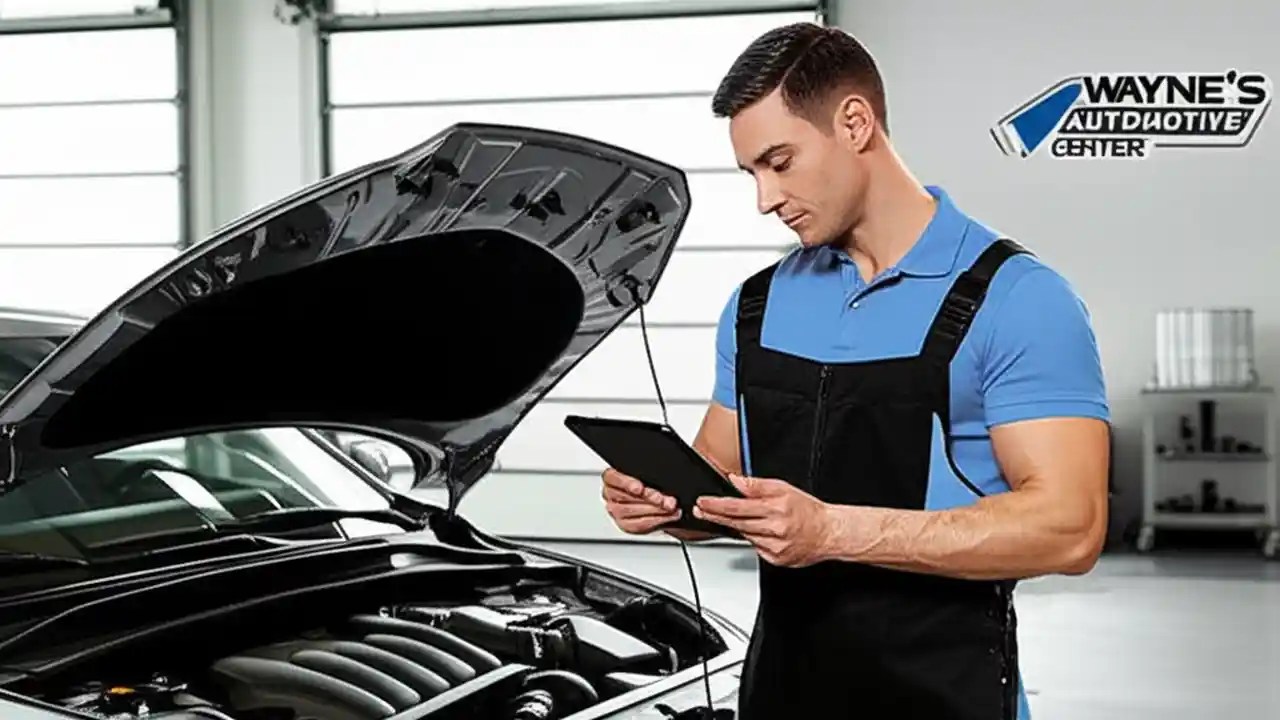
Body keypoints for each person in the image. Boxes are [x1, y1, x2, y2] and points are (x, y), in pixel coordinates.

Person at [599, 21, 1111, 720]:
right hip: (780, 696)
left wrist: (832, 531)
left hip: (944, 698)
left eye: (780, 161)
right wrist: (665, 503)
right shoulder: (756, 305)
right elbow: (718, 490)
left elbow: (1071, 526)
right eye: (751, 172)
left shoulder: (1019, 299)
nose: (765, 198)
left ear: (855, 122)